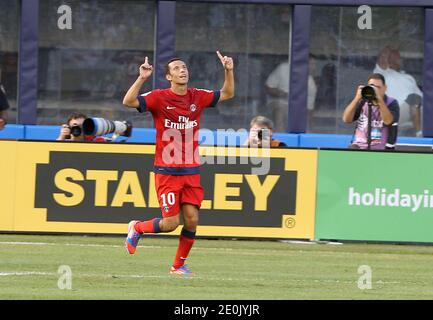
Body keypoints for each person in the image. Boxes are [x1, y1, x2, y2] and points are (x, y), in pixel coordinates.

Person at [122, 52, 234, 275]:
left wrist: (228, 70)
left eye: (184, 67)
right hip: (167, 170)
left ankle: (178, 266)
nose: (182, 70)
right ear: (169, 77)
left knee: (192, 220)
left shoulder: (197, 96)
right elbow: (128, 101)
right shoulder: (158, 97)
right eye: (176, 69)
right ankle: (137, 227)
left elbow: (228, 93)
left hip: (191, 170)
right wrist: (142, 77)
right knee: (170, 224)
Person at [373, 46, 423, 136]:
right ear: (389, 59)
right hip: (393, 111)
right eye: (397, 57)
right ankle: (419, 135)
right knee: (414, 98)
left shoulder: (409, 78)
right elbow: (383, 55)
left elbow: (421, 97)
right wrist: (394, 44)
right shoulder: (381, 72)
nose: (401, 59)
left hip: (413, 110)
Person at [342, 73, 399, 150]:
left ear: (385, 88)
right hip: (358, 146)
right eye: (372, 86)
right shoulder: (362, 101)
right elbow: (346, 119)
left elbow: (388, 121)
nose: (375, 90)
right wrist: (357, 98)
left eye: (378, 87)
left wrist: (379, 100)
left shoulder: (391, 103)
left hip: (381, 149)